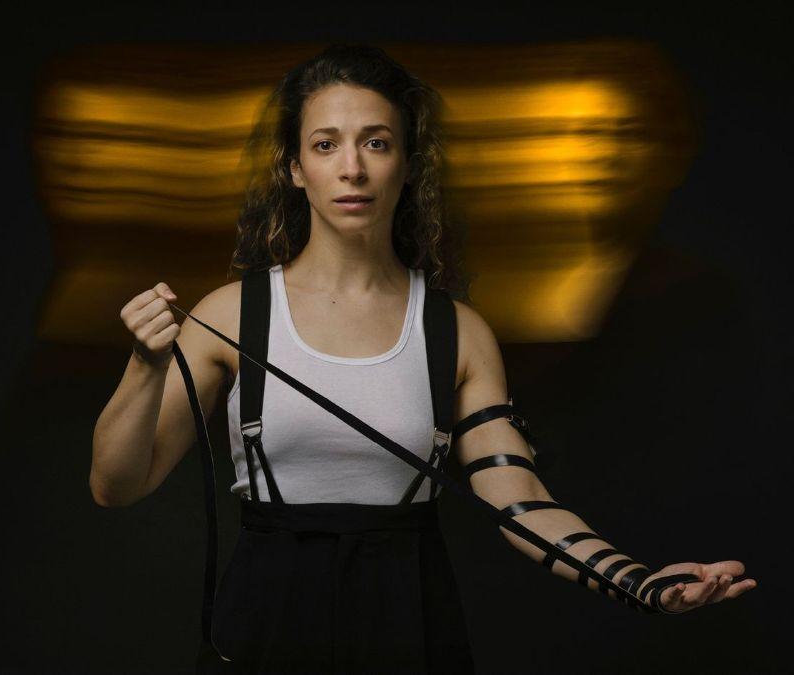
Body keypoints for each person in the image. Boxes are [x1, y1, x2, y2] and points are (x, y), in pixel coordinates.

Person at [90, 43, 756, 674]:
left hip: (408, 619)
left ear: (407, 162)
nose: (352, 168)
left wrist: (640, 583)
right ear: (295, 167)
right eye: (326, 144)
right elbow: (116, 485)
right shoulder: (231, 314)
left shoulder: (454, 332)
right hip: (265, 620)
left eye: (376, 143)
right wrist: (145, 366)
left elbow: (519, 499)